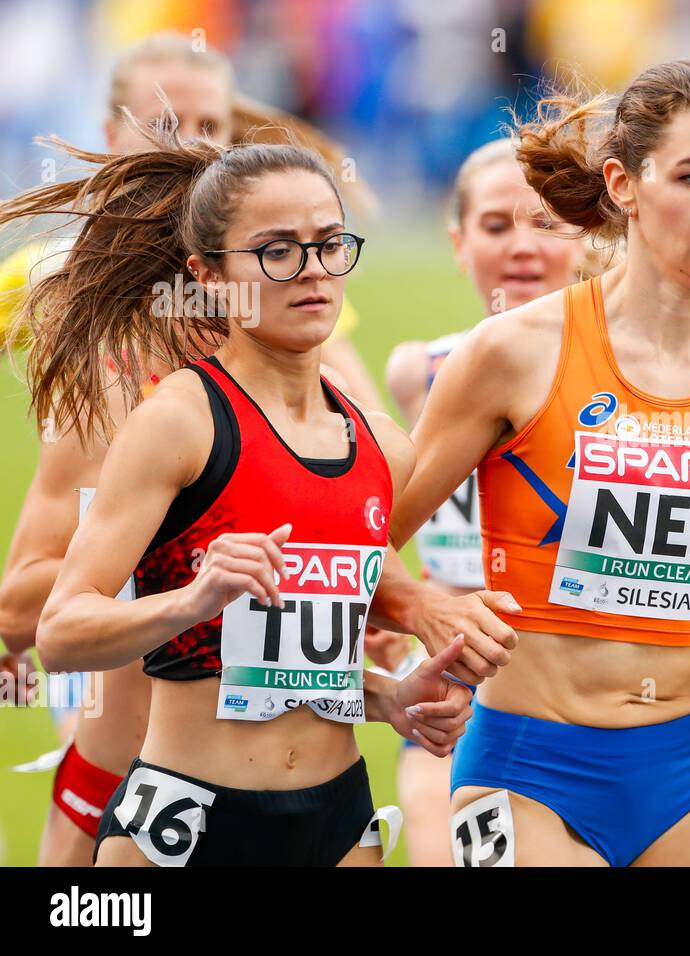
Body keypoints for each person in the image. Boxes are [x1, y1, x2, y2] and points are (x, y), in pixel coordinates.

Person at [389, 60, 690, 866]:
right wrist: (421, 607)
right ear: (622, 183)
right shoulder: (513, 353)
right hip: (530, 766)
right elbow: (350, 547)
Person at [15, 127, 488, 866]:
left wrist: (392, 698)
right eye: (276, 251)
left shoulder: (381, 447)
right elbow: (62, 630)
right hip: (186, 824)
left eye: (330, 244)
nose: (313, 271)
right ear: (208, 275)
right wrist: (190, 601)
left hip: (338, 821)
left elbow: (295, 665)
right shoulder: (180, 420)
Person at [0, 32, 383, 867]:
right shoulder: (51, 283)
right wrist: (178, 583)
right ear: (110, 131)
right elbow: (40, 608)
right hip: (124, 664)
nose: (192, 143)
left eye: (211, 122)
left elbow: (370, 502)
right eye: (165, 121)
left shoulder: (297, 308)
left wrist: (401, 616)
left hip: (296, 752)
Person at [383, 138, 590, 865]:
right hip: (458, 697)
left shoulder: (622, 382)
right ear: (458, 241)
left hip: (587, 699)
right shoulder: (420, 371)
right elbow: (368, 518)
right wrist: (397, 603)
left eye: (545, 224)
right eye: (497, 226)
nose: (522, 248)